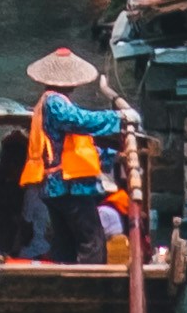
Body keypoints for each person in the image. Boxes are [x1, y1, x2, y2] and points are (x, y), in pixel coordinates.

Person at [21, 84, 116, 260]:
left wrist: (112, 155)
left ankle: (66, 279)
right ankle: (89, 284)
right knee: (91, 241)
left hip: (60, 185)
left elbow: (79, 148)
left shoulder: (56, 103)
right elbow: (79, 120)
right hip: (66, 185)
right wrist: (116, 118)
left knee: (65, 241)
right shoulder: (54, 102)